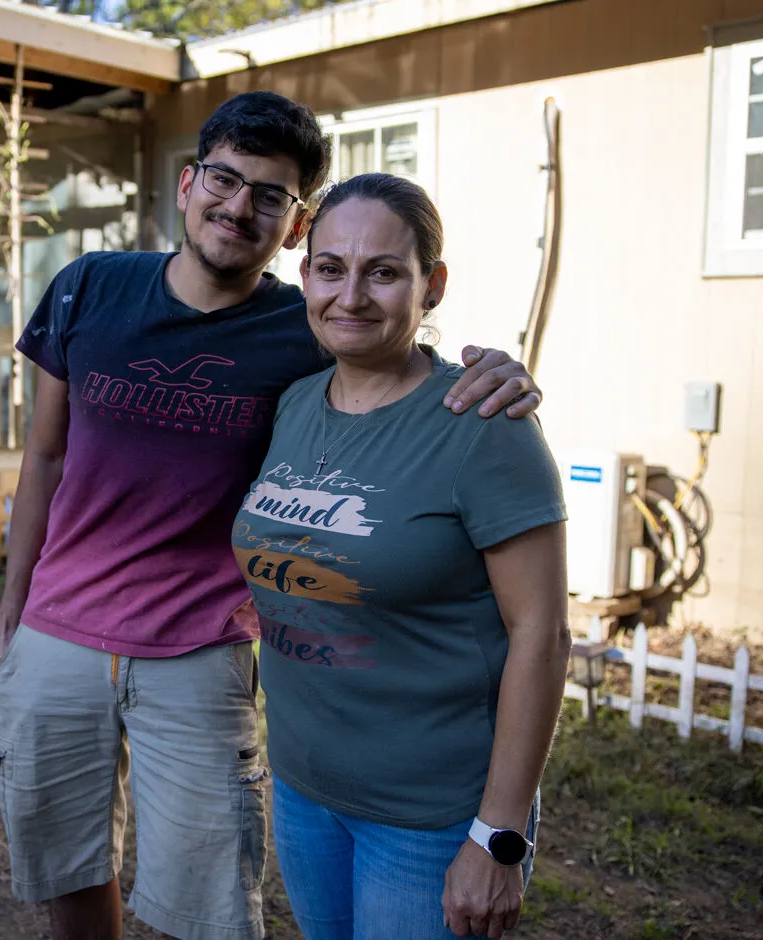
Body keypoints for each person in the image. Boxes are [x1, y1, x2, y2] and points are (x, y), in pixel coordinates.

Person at [0, 91, 545, 940]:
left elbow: (393, 355)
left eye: (270, 195)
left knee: (208, 901)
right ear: (189, 183)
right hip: (58, 635)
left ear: (296, 224)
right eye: (225, 180)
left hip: (200, 649)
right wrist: (7, 614)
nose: (239, 207)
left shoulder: (304, 327)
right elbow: (45, 459)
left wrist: (500, 370)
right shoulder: (90, 287)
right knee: (71, 868)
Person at [231, 173, 570, 940]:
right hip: (305, 790)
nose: (350, 296)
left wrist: (498, 835)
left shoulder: (484, 423)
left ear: (432, 286)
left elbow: (543, 637)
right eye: (330, 268)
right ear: (306, 276)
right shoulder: (294, 404)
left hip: (431, 816)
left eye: (383, 272)